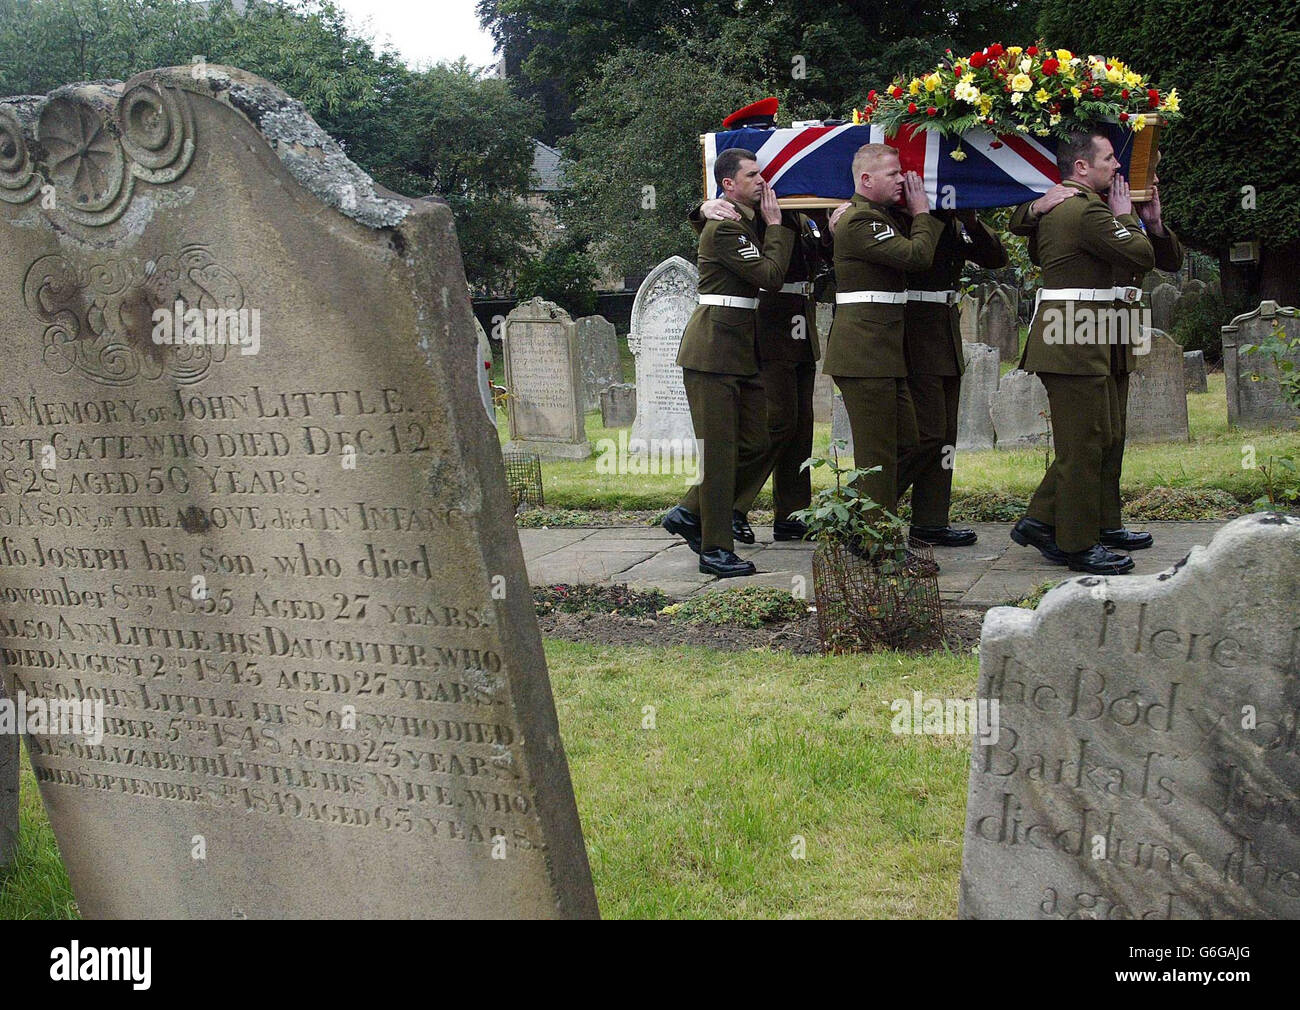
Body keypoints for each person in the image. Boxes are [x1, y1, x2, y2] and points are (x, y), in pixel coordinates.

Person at [1009, 149, 1183, 554]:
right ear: (1084, 166)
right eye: (1114, 158)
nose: (1122, 168)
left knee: (1111, 435)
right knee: (1089, 438)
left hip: (1115, 323)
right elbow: (1024, 221)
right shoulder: (1080, 208)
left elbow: (1167, 259)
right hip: (1082, 326)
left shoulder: (1108, 207)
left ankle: (1103, 523)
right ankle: (1061, 527)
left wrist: (1151, 222)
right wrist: (1037, 206)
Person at [660, 146, 793, 577]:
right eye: (752, 175)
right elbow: (771, 277)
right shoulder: (724, 230)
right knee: (719, 455)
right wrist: (777, 226)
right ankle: (715, 551)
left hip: (740, 349)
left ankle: (688, 512)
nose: (762, 181)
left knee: (756, 441)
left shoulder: (739, 223)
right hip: (714, 350)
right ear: (728, 185)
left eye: (762, 173)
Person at [690, 196, 829, 544]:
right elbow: (726, 231)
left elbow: (825, 254)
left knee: (800, 426)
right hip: (768, 323)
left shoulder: (808, 210)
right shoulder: (763, 208)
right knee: (777, 422)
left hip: (800, 322)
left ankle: (793, 513)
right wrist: (700, 209)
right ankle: (732, 506)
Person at [822, 143, 942, 539]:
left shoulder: (876, 217)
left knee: (912, 443)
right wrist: (922, 211)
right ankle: (880, 545)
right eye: (893, 173)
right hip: (864, 354)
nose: (903, 179)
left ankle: (848, 518)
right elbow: (917, 256)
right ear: (866, 179)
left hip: (884, 353)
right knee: (878, 455)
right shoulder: (860, 221)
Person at [894, 208, 1006, 546]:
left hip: (944, 329)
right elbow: (916, 259)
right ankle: (862, 509)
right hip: (916, 328)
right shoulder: (905, 216)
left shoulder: (952, 219)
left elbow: (995, 257)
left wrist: (972, 221)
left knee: (945, 436)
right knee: (927, 433)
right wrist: (922, 214)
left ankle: (930, 519)